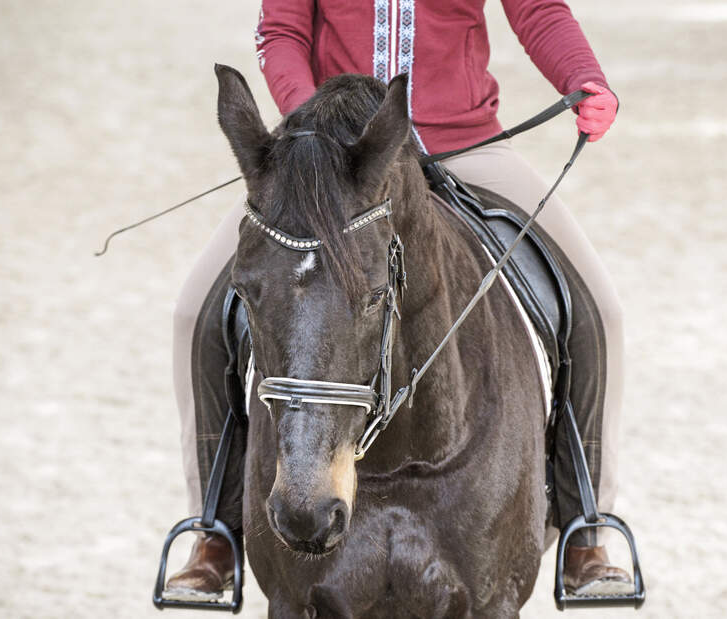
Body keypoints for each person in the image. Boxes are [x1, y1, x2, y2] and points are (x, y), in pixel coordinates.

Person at [165, 0, 627, 601]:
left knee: (597, 313)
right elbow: (281, 31)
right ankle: (214, 531)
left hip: (466, 145)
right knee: (195, 314)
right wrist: (316, 137)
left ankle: (586, 527)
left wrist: (581, 76)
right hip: (331, 159)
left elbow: (538, 9)